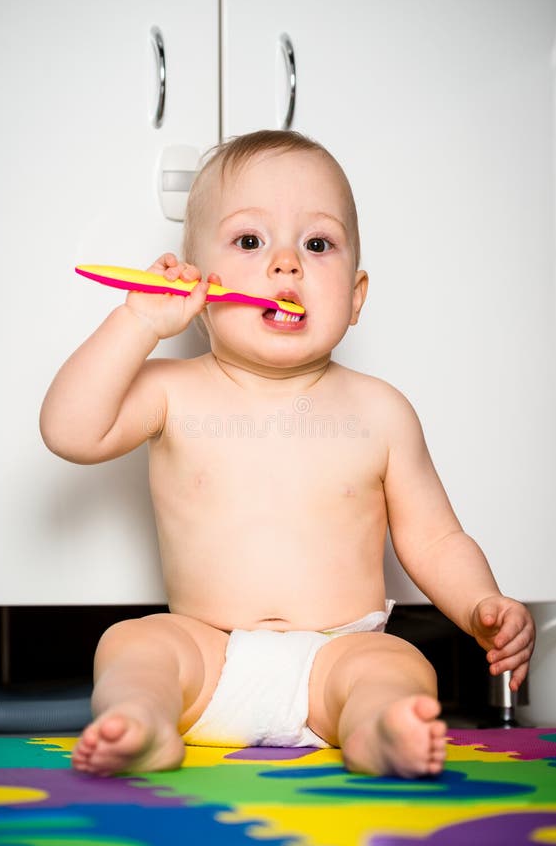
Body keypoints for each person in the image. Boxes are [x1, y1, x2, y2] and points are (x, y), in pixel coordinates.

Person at [40, 130, 534, 779]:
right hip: (208, 654)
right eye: (250, 241)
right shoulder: (170, 391)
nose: (286, 265)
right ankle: (144, 720)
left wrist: (479, 604)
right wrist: (137, 324)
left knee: (398, 666)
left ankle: (377, 730)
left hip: (337, 657)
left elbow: (436, 539)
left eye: (317, 244)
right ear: (197, 289)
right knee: (133, 645)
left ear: (355, 297)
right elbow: (69, 431)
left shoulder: (380, 411)